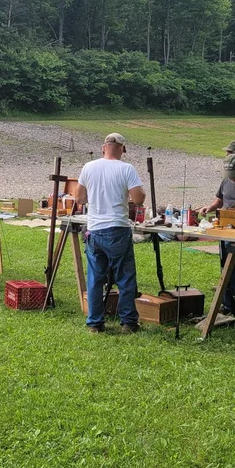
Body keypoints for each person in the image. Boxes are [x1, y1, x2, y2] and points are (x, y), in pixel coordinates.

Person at [75, 132, 146, 334]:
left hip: (94, 230)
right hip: (117, 228)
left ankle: (95, 323)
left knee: (95, 279)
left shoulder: (89, 167)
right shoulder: (126, 168)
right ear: (122, 149)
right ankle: (128, 322)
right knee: (125, 277)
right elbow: (139, 199)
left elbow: (79, 198)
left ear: (103, 147)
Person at [199, 152, 235, 317]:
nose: (232, 179)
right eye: (230, 176)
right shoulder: (227, 180)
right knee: (227, 270)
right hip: (227, 230)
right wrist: (210, 208)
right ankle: (229, 306)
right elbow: (220, 200)